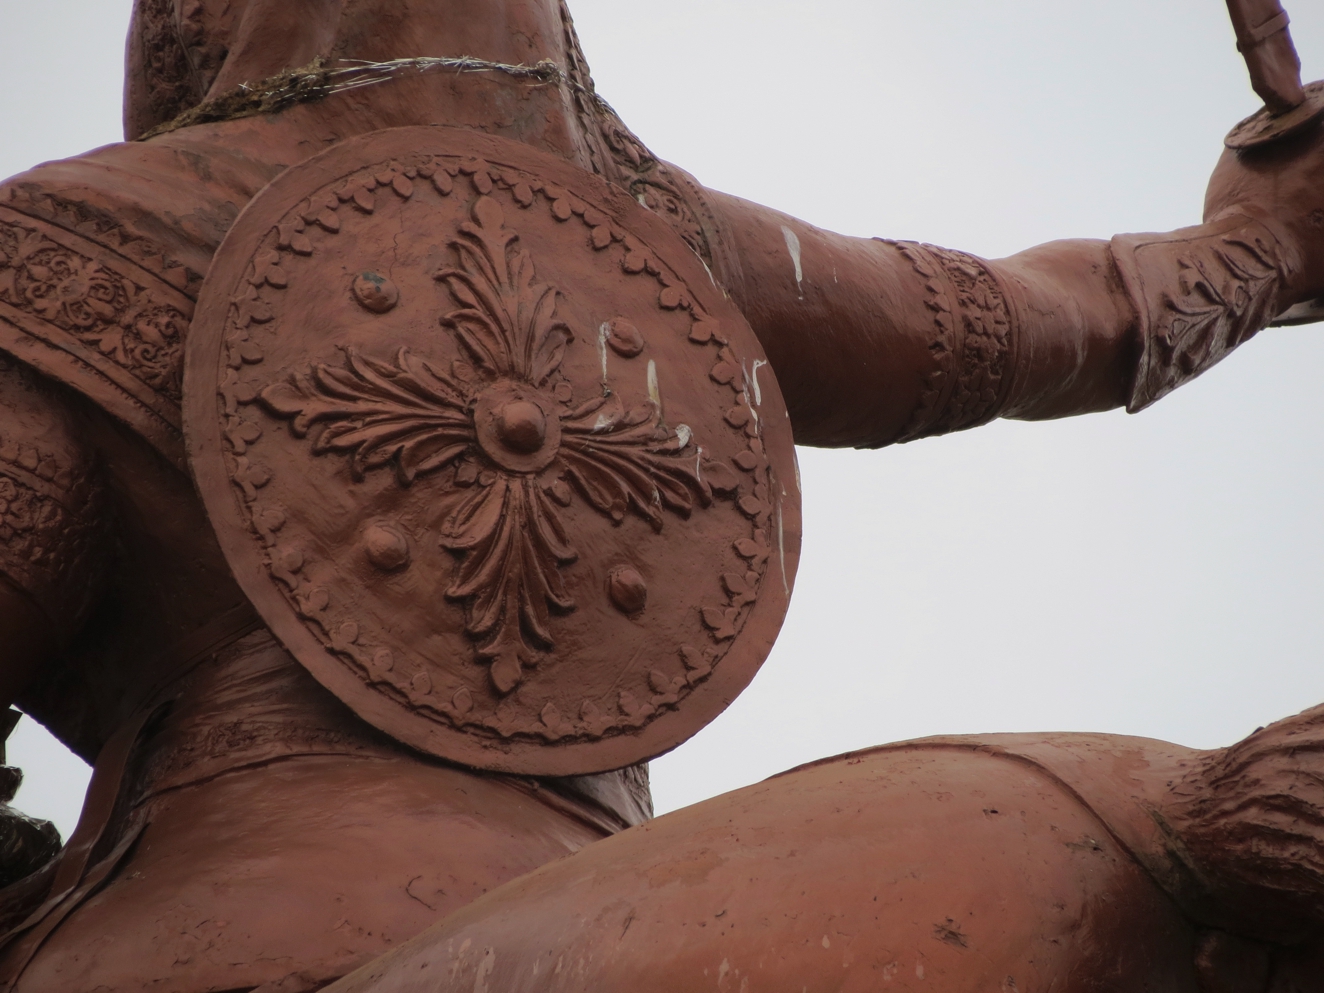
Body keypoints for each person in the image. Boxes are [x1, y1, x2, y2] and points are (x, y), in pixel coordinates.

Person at [0, 1, 1320, 990]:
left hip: (296, 929)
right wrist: (1267, 244)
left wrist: (1266, 244)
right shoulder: (662, 239)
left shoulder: (78, 236)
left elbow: (1028, 325)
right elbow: (1042, 324)